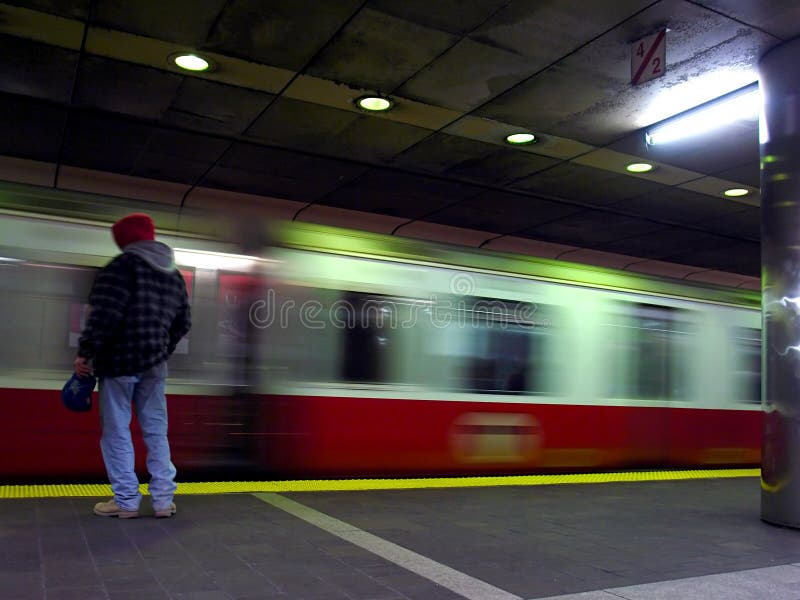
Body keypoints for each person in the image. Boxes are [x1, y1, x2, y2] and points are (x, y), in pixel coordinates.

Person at [74, 213, 191, 519]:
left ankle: (126, 501)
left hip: (119, 361)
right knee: (155, 430)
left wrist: (86, 353)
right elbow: (184, 321)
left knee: (117, 430)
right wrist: (163, 348)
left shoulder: (121, 267)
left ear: (125, 240)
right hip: (155, 363)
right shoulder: (173, 274)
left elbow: (104, 315)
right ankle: (164, 500)